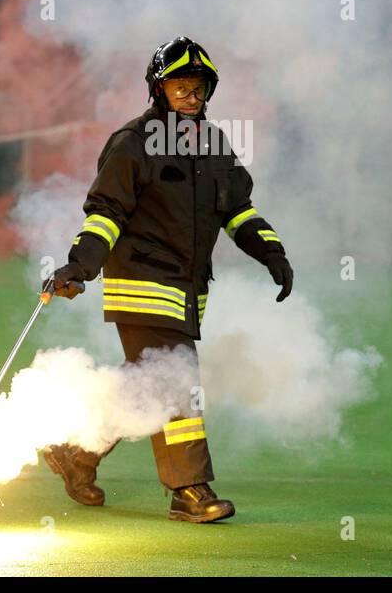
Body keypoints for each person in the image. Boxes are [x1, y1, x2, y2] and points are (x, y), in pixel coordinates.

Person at [46, 37, 294, 523]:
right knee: (175, 377)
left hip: (185, 291)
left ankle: (77, 452)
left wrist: (271, 251)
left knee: (145, 385)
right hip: (141, 282)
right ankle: (188, 490)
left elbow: (239, 210)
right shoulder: (132, 144)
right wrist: (80, 266)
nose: (191, 96)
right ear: (158, 90)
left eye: (198, 88)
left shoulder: (214, 144)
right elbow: (106, 214)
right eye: (180, 86)